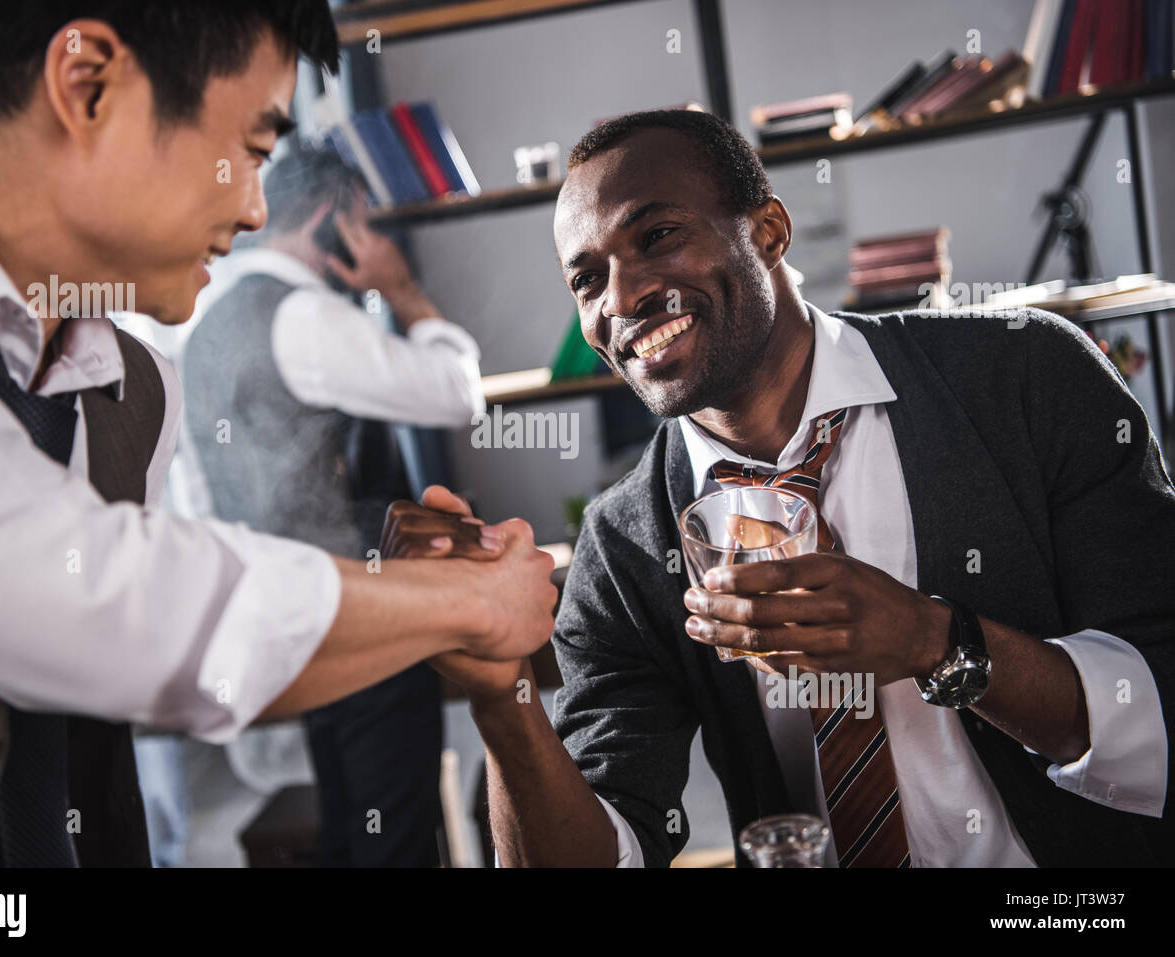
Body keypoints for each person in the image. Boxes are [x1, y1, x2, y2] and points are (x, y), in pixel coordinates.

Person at [0, 0, 556, 867]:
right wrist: (473, 601)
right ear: (89, 87)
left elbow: (119, 659)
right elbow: (118, 607)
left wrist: (392, 592)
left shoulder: (134, 386)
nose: (252, 210)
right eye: (250, 151)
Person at [396, 109, 1175, 866]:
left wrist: (933, 642)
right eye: (588, 278)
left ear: (769, 229)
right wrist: (503, 691)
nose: (623, 297)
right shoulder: (626, 546)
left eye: (658, 235)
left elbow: (1158, 705)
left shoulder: (1025, 375)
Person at [180, 143, 486, 866]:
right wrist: (401, 288)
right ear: (331, 222)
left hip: (287, 611)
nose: (374, 239)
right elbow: (456, 392)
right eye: (365, 223)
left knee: (355, 825)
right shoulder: (305, 317)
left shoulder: (207, 322)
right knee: (399, 835)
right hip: (364, 614)